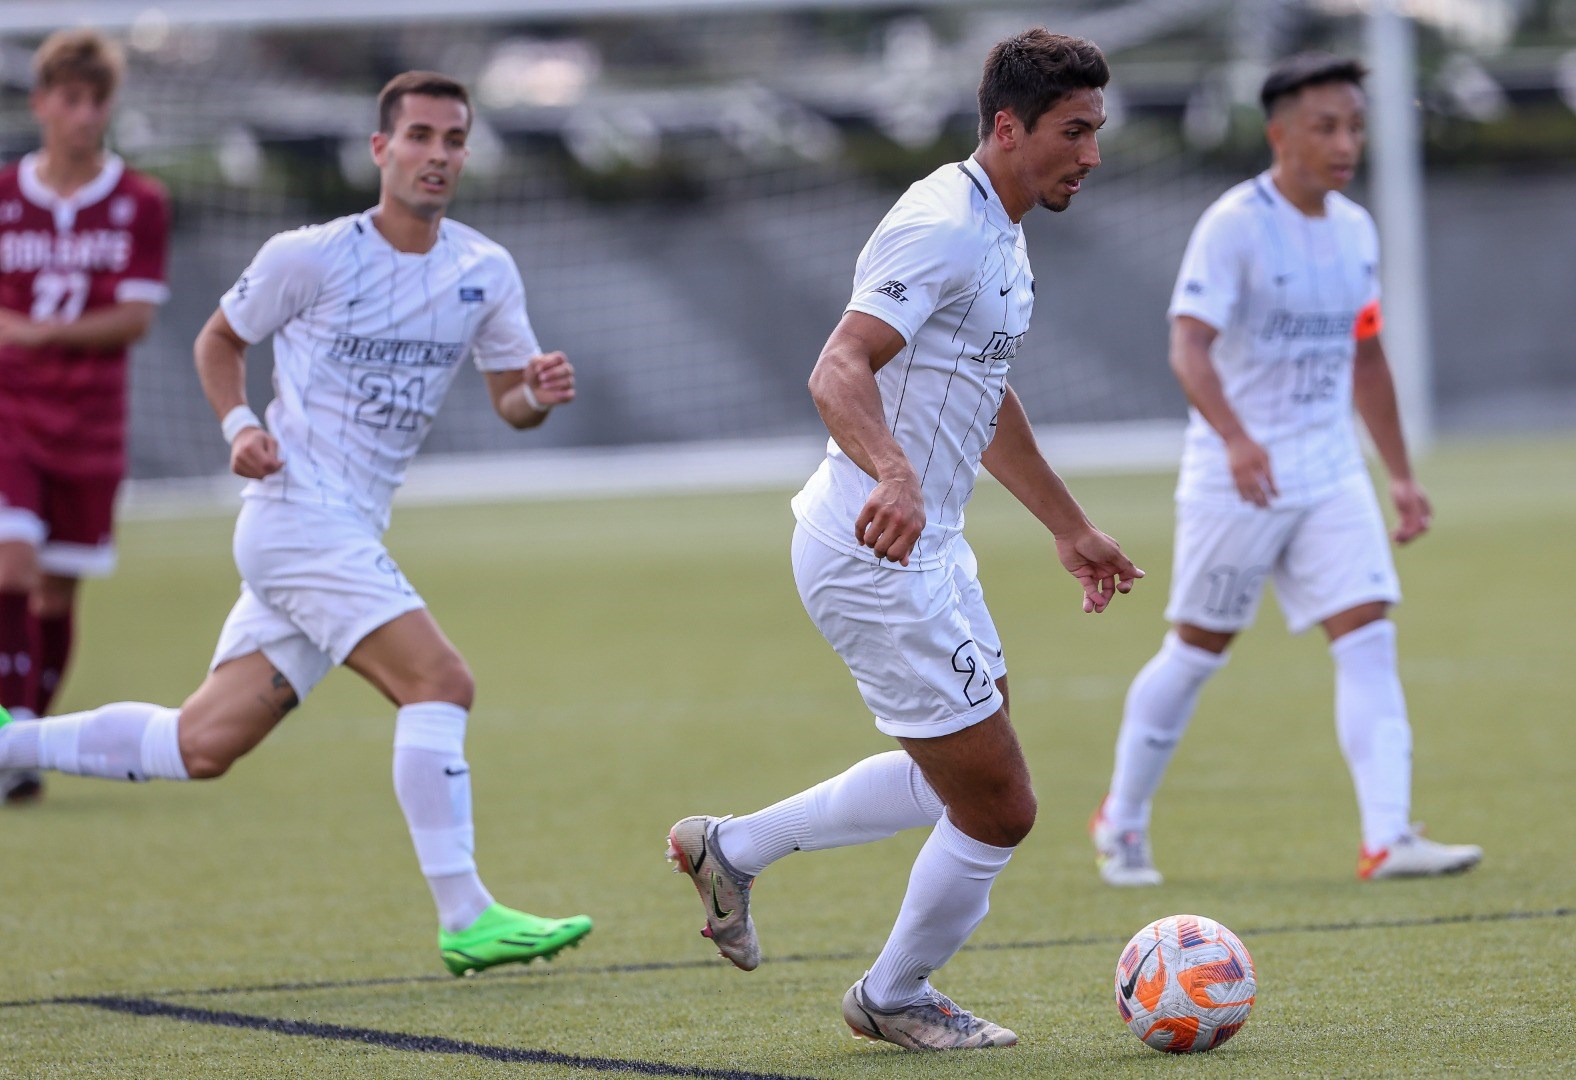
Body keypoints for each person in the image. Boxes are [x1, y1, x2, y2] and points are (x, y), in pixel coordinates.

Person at [0, 72, 592, 976]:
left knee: (200, 745)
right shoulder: (308, 254)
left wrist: (536, 396)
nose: (438, 154)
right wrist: (242, 428)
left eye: (454, 139)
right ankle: (465, 914)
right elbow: (217, 340)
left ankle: (9, 739)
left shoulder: (485, 270)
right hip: (296, 522)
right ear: (380, 150)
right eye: (421, 136)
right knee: (440, 682)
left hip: (346, 530)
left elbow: (509, 401)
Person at [666, 28, 1142, 1051]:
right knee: (1001, 806)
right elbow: (838, 367)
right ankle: (894, 994)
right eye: (1074, 131)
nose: (1091, 155)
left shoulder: (1001, 227)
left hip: (920, 543)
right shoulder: (941, 225)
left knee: (965, 770)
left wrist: (1070, 527)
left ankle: (733, 847)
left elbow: (983, 390)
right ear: (1007, 128)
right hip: (873, 547)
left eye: (1097, 131)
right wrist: (895, 473)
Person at [1090, 54, 1481, 889]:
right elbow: (1187, 349)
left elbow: (1366, 356)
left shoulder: (1356, 229)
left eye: (1355, 126)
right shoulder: (1233, 224)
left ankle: (1388, 837)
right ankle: (1120, 818)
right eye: (1325, 126)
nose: (1345, 143)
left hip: (1330, 469)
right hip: (1239, 477)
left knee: (1370, 635)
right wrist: (1235, 437)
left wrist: (1401, 476)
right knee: (1198, 649)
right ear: (1279, 133)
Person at [0, 30, 169, 805]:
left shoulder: (140, 202)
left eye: (96, 100)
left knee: (58, 596)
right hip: (9, 410)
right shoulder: (5, 195)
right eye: (69, 99)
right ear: (40, 103)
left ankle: (25, 738)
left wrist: (40, 331)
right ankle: (8, 737)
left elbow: (134, 317)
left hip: (91, 423)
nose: (83, 114)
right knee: (11, 565)